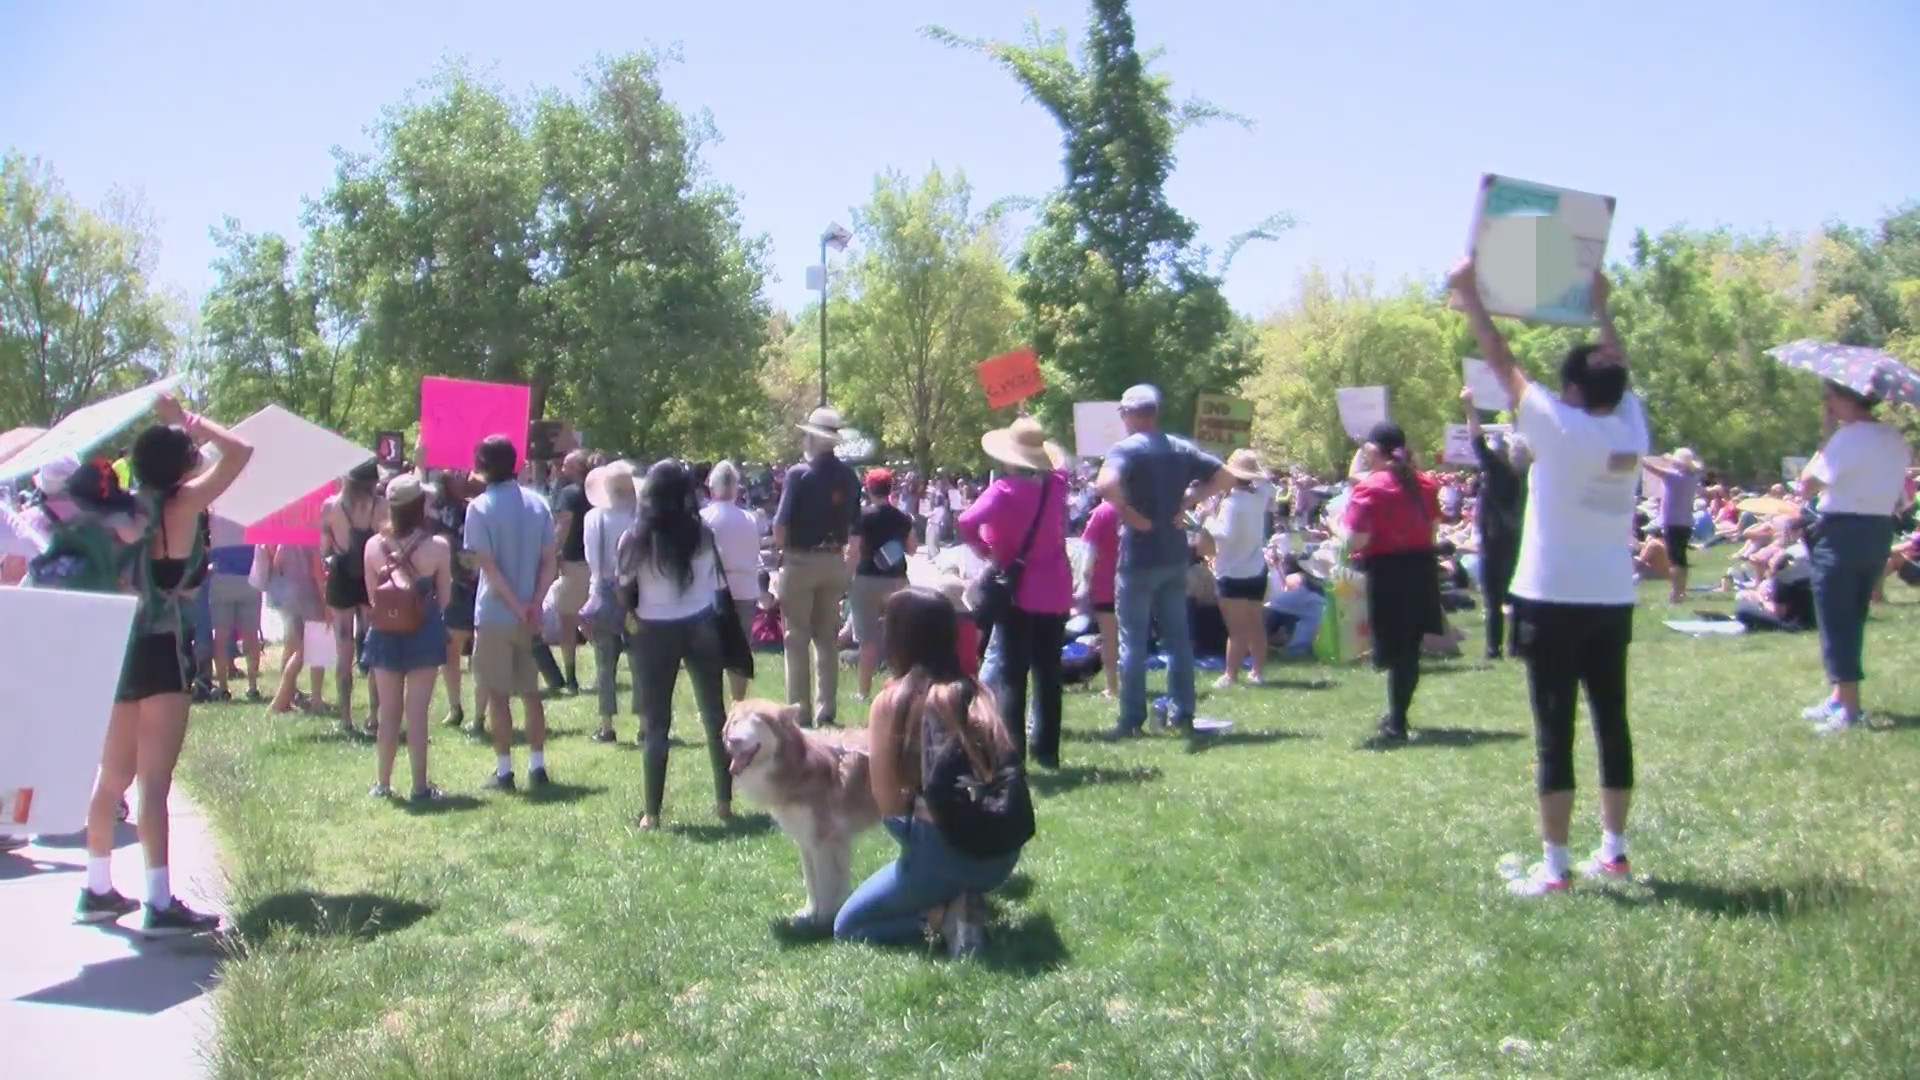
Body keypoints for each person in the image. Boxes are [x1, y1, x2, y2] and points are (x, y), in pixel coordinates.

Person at [1454, 257, 1647, 897]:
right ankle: (1613, 852)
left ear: (1568, 391)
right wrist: (1602, 305)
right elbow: (1613, 367)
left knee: (1553, 732)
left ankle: (1557, 867)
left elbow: (1500, 359)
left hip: (1550, 597)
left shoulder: (1556, 425)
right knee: (1611, 721)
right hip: (1611, 596)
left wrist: (1469, 297)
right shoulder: (1630, 423)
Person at [81, 393, 252, 934]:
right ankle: (158, 900)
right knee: (154, 782)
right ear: (179, 466)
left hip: (117, 646)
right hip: (162, 649)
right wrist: (190, 421)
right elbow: (241, 451)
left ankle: (97, 886)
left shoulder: (122, 510)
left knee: (113, 776)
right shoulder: (183, 506)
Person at [834, 587, 1029, 955]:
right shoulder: (979, 691)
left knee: (851, 926)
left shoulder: (892, 702)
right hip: (1001, 854)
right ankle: (961, 895)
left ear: (899, 638)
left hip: (942, 852)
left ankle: (941, 917)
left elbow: (888, 803)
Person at [1096, 385, 1233, 738]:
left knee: (1134, 641)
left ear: (1128, 414)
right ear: (1155, 413)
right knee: (1179, 640)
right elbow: (1226, 477)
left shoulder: (1124, 449)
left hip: (1138, 557)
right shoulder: (1180, 448)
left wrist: (1128, 512)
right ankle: (1183, 713)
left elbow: (1105, 485)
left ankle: (1131, 720)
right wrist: (1188, 503)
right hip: (1174, 555)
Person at [621, 460, 732, 830]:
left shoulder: (635, 538)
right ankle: (724, 803)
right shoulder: (702, 534)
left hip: (654, 630)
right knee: (715, 717)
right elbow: (717, 585)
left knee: (656, 725)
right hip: (700, 624)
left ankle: (652, 813)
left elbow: (624, 589)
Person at [1797, 379, 1911, 732]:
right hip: (1877, 532)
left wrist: (1826, 437)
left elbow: (1807, 483)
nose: (1827, 404)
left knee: (1835, 617)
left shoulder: (1846, 438)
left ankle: (1847, 707)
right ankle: (1838, 696)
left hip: (1842, 531)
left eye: (1829, 396)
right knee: (1853, 614)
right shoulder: (1893, 438)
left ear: (1846, 397)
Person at [960, 418, 1072, 768]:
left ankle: (1012, 754)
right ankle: (1048, 750)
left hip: (1018, 589)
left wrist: (985, 550)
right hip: (1055, 587)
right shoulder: (1056, 485)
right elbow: (1061, 465)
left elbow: (965, 522)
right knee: (1048, 672)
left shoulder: (1003, 490)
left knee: (1011, 673)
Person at [464, 434, 557, 792]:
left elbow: (486, 567)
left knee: (498, 695)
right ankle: (537, 766)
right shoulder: (538, 504)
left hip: (494, 613)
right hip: (530, 614)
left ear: (482, 466)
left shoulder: (479, 508)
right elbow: (550, 562)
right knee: (531, 693)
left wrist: (518, 605)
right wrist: (535, 601)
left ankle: (504, 771)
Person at [1341, 423, 1442, 742]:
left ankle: (1397, 721)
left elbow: (1358, 540)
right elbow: (1434, 529)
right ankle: (1397, 714)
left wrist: (1336, 528)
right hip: (1421, 567)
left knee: (1396, 650)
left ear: (1373, 450)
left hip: (1388, 571)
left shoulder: (1370, 488)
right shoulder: (1425, 483)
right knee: (1409, 649)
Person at [360, 475, 452, 801]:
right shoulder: (438, 547)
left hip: (385, 631)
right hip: (424, 633)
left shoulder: (373, 546)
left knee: (388, 712)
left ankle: (382, 784)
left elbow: (374, 598)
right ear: (419, 505)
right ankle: (419, 786)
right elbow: (444, 599)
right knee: (417, 713)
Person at [773, 406, 860, 727]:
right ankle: (827, 709)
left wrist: (781, 554)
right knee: (826, 638)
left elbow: (780, 525)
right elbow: (856, 527)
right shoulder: (849, 477)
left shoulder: (799, 474)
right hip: (834, 559)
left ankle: (799, 711)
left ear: (812, 436)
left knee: (796, 638)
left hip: (800, 558)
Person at [1463, 388, 1529, 659]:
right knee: (1517, 596)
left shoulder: (1497, 471)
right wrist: (1516, 412)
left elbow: (1477, 441)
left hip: (1494, 540)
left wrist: (1469, 408)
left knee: (1493, 599)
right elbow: (1524, 438)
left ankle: (1493, 648)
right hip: (1517, 538)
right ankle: (1517, 646)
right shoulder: (1524, 475)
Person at [321, 461, 386, 735]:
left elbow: (324, 550)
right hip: (373, 576)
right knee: (373, 647)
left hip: (341, 576)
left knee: (343, 648)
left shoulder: (330, 506)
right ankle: (373, 716)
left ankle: (346, 718)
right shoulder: (381, 507)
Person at [1205, 449, 1272, 688]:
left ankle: (1230, 675)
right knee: (1255, 623)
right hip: (1256, 568)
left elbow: (1224, 534)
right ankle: (1257, 672)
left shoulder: (1233, 503)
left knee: (1236, 630)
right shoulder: (1261, 495)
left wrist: (1207, 518)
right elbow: (1266, 479)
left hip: (1232, 571)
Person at [584, 459, 639, 742]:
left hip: (605, 592)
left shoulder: (594, 519)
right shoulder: (640, 517)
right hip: (638, 596)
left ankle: (606, 725)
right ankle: (644, 725)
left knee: (605, 664)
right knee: (640, 660)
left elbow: (592, 561)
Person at [851, 468, 916, 702]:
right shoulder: (902, 517)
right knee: (898, 637)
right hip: (897, 580)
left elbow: (854, 550)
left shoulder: (861, 516)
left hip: (866, 579)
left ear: (868, 488)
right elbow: (912, 549)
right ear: (891, 489)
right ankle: (900, 689)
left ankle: (863, 692)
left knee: (867, 640)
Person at [703, 460, 764, 703]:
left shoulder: (704, 518)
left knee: (711, 650)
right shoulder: (750, 519)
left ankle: (714, 704)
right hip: (745, 588)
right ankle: (738, 701)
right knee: (740, 649)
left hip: (714, 589)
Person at [428, 471, 482, 731]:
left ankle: (478, 710)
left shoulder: (474, 508)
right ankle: (456, 706)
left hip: (474, 583)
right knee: (450, 648)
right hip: (453, 584)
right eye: (457, 475)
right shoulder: (436, 512)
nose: (464, 478)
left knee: (477, 648)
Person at [260, 543, 329, 715]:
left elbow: (274, 561)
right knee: (314, 648)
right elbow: (317, 571)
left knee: (292, 646)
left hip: (284, 592)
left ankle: (287, 697)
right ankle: (314, 698)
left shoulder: (281, 530)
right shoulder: (307, 534)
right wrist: (325, 601)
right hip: (308, 592)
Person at [549, 450, 592, 694]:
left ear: (577, 468)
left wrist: (555, 553)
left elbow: (563, 525)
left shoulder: (569, 494)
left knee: (567, 621)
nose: (561, 469)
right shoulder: (597, 495)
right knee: (588, 618)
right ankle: (606, 665)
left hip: (573, 563)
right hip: (595, 563)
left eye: (566, 465)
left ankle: (570, 676)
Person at [206, 541, 264, 701]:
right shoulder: (251, 520)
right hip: (249, 577)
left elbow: (207, 548)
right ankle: (252, 687)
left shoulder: (216, 519)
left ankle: (223, 688)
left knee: (221, 636)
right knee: (251, 636)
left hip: (222, 577)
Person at [1644, 447, 1702, 603]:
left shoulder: (1673, 476)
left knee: (1674, 559)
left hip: (1672, 522)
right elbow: (1687, 466)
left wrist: (1639, 458)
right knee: (1681, 558)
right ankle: (1681, 591)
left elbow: (1651, 468)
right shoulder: (1692, 476)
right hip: (1686, 522)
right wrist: (1670, 459)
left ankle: (1676, 593)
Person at [1080, 494, 1121, 698]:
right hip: (1131, 582)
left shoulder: (1102, 513)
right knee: (1130, 637)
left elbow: (1088, 552)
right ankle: (1131, 682)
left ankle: (1112, 686)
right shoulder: (1135, 507)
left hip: (1105, 584)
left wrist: (1083, 584)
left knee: (1110, 638)